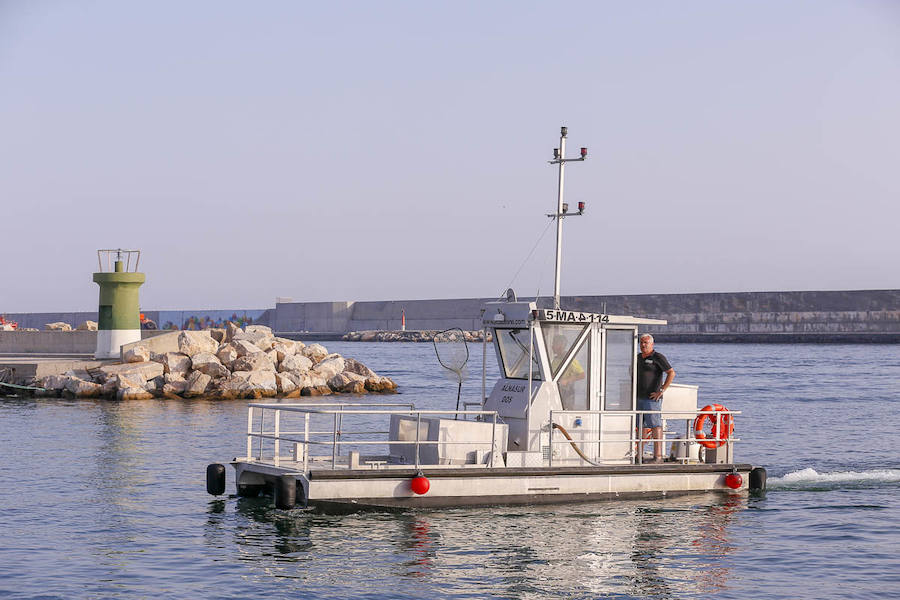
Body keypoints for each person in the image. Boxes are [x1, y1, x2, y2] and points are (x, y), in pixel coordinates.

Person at [635, 333, 675, 464]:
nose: (643, 345)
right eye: (641, 342)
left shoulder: (658, 357)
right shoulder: (638, 357)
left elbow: (671, 373)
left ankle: (658, 456)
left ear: (652, 344)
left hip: (652, 398)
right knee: (640, 426)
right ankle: (639, 455)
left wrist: (661, 390)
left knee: (655, 425)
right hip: (638, 397)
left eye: (646, 343)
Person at [551, 334, 585, 409]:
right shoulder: (556, 359)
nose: (552, 346)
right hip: (556, 390)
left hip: (567, 392)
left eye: (554, 344)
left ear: (560, 346)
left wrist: (567, 380)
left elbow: (582, 375)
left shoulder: (569, 359)